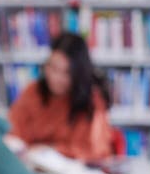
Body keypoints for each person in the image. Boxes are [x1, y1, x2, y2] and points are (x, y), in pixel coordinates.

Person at [8, 32, 114, 162]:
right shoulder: (33, 91)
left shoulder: (92, 99)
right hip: (33, 168)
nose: (55, 78)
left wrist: (51, 150)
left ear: (78, 74)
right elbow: (13, 131)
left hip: (75, 173)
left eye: (66, 72)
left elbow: (93, 150)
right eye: (52, 68)